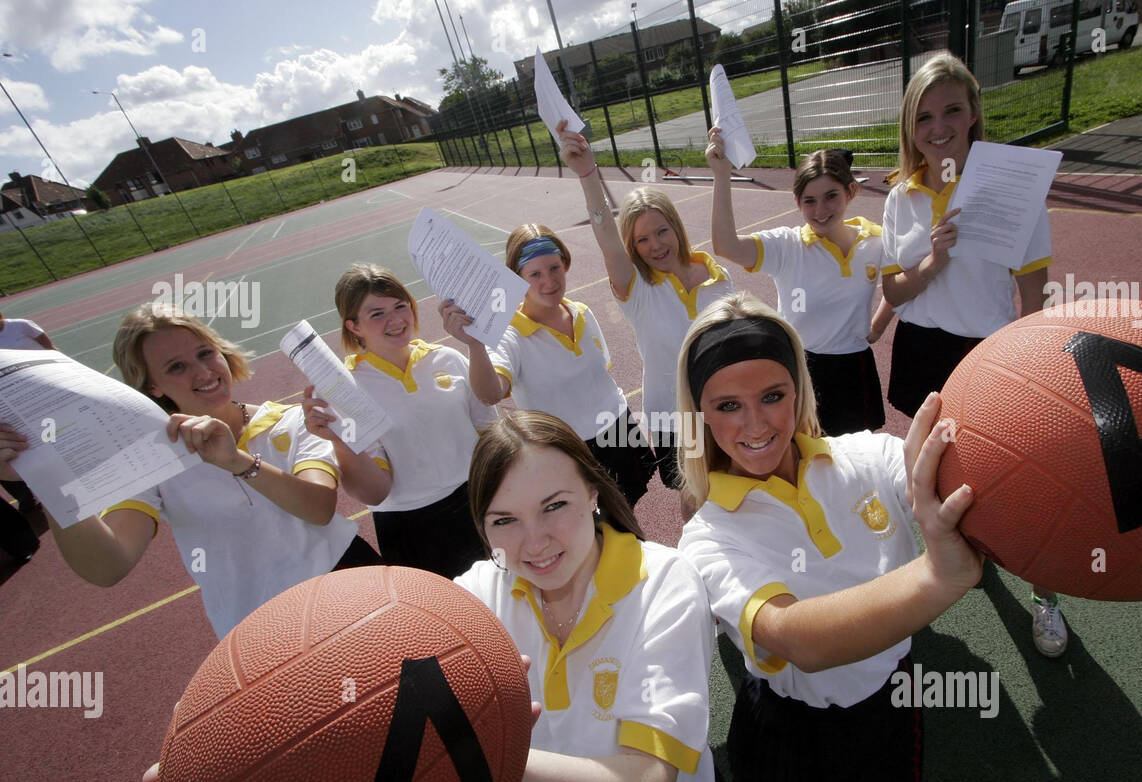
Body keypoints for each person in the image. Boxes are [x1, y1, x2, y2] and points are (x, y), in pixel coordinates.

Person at [674, 293, 983, 782]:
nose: (756, 423)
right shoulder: (708, 536)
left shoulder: (867, 455)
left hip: (891, 685)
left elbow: (942, 473)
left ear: (799, 389)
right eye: (727, 406)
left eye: (772, 396)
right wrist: (939, 575)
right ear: (699, 416)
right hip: (799, 719)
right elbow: (800, 640)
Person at [453, 410, 743, 782]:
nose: (534, 543)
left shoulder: (664, 582)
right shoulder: (474, 597)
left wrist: (474, 763)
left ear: (592, 492)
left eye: (554, 506)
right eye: (505, 521)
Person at [0, 303, 377, 640]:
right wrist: (45, 476)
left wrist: (237, 462)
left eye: (205, 353)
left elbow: (318, 507)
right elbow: (108, 565)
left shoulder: (287, 420)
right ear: (151, 384)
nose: (202, 372)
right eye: (176, 367)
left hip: (350, 585)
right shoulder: (151, 459)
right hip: (261, 630)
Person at [875, 52, 1066, 657]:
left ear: (974, 112)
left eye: (952, 109)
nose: (939, 126)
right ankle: (935, 579)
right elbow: (893, 291)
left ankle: (1046, 596)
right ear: (910, 126)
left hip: (991, 352)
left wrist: (1036, 365)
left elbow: (1034, 290)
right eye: (925, 115)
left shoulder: (1012, 188)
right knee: (931, 474)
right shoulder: (899, 198)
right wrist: (934, 261)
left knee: (1025, 481)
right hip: (924, 349)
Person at [557, 119, 734, 497]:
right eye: (641, 240)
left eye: (661, 231)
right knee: (696, 497)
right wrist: (587, 174)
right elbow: (605, 234)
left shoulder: (717, 276)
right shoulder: (637, 289)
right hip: (677, 418)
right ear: (632, 247)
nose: (655, 245)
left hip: (727, 406)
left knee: (735, 485)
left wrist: (721, 172)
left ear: (676, 225)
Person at [440, 224, 655, 508]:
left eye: (554, 268)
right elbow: (490, 393)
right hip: (566, 451)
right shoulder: (509, 335)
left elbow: (601, 374)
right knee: (588, 533)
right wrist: (475, 345)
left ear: (565, 264)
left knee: (628, 511)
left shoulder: (581, 312)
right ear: (517, 279)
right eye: (535, 274)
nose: (549, 281)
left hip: (616, 428)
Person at [304, 264, 496, 579]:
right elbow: (374, 493)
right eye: (377, 314)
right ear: (353, 326)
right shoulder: (345, 391)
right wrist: (337, 438)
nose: (395, 320)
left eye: (400, 306)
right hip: (411, 526)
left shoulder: (448, 359)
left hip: (479, 503)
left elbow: (489, 431)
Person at [707, 136, 894, 437]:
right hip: (803, 368)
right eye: (809, 200)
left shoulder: (875, 241)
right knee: (807, 460)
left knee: (856, 460)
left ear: (851, 192)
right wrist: (720, 174)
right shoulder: (788, 246)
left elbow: (897, 286)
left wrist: (877, 328)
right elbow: (726, 245)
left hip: (855, 366)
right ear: (797, 202)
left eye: (831, 196)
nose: (820, 209)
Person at [0, 312, 52, 559]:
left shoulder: (20, 326)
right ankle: (25, 495)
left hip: (38, 389)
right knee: (9, 452)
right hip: (7, 406)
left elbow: (49, 347)